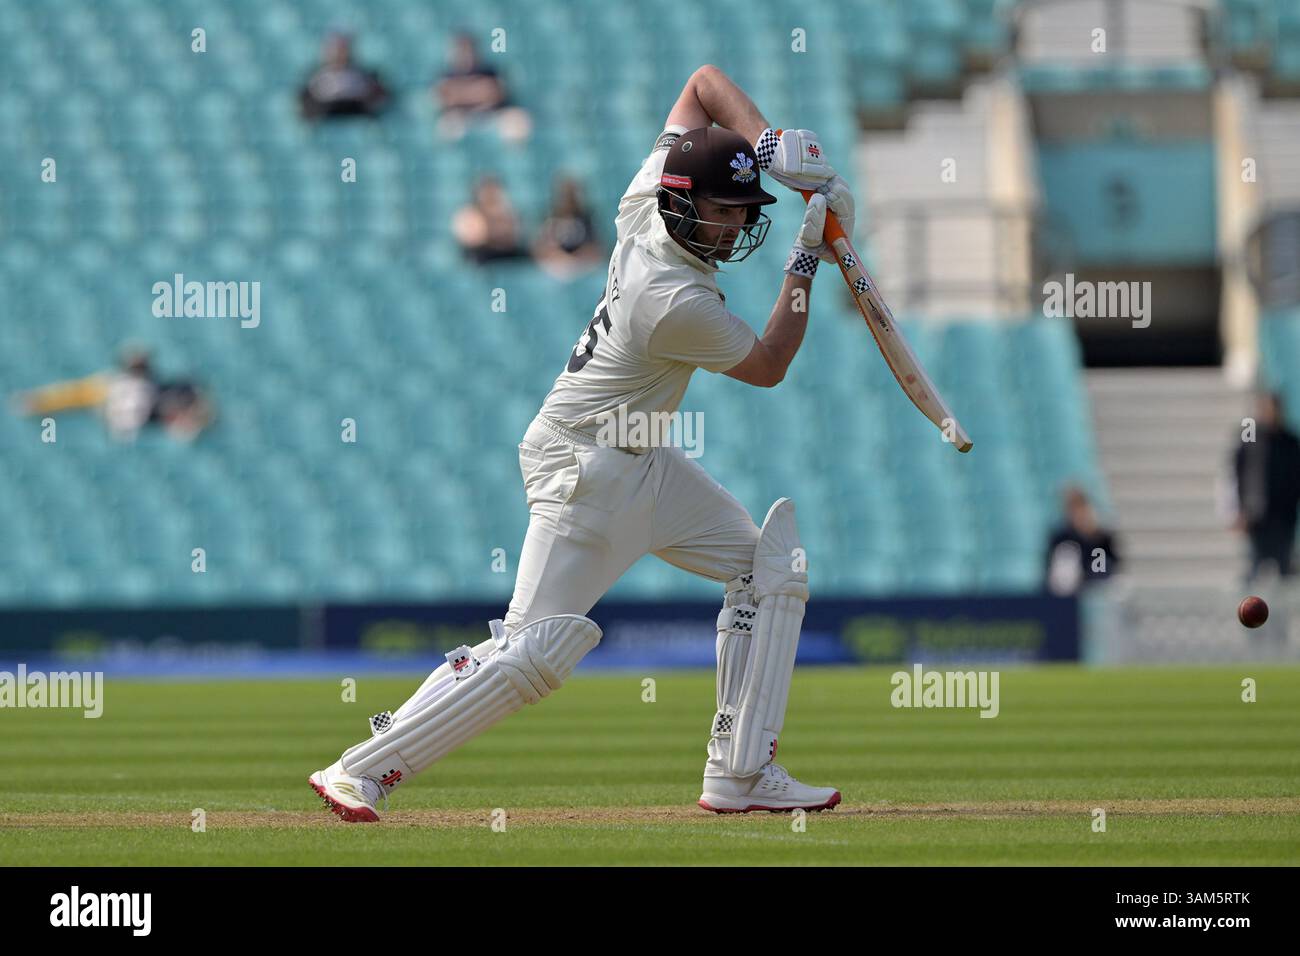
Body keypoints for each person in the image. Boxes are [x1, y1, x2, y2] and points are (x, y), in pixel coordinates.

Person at [310, 64, 856, 820]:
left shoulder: (642, 202)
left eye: (744, 209)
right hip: (584, 467)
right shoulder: (668, 299)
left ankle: (740, 772)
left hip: (643, 458)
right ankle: (361, 767)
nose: (737, 226)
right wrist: (805, 257)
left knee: (770, 571)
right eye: (727, 211)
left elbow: (700, 84)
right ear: (685, 204)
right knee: (532, 652)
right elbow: (768, 367)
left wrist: (771, 149)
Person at [12, 348, 214, 442]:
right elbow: (137, 361)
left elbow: (180, 433)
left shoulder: (168, 422)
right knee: (74, 394)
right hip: (113, 390)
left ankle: (35, 406)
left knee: (78, 401)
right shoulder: (181, 386)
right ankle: (34, 404)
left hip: (116, 410)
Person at [1232, 391, 1300, 581]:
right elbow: (1237, 470)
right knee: (1253, 568)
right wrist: (1239, 508)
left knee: (1285, 570)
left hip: (1284, 516)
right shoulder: (1251, 432)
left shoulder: (1289, 439)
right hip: (1256, 514)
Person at [433, 33, 531, 143]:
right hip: (463, 118)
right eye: (462, 51)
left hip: (491, 115)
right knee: (446, 127)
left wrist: (461, 93)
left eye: (469, 50)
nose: (466, 55)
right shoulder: (448, 75)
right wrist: (479, 91)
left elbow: (496, 94)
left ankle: (514, 158)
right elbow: (444, 98)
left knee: (517, 119)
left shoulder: (489, 71)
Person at [1044, 485, 1121, 596]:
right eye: (1074, 510)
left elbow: (1102, 572)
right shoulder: (1062, 539)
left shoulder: (1100, 539)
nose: (1079, 515)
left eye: (1082, 508)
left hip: (1096, 593)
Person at [299, 33, 390, 120]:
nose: (338, 53)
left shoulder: (366, 76)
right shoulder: (314, 78)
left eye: (342, 49)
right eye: (334, 49)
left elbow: (380, 100)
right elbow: (306, 107)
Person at [532, 177, 603, 279]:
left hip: (582, 269)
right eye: (564, 195)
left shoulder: (587, 219)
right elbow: (540, 249)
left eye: (572, 194)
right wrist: (562, 259)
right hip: (554, 270)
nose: (568, 199)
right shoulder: (550, 218)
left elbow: (595, 249)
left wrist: (574, 261)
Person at [451, 175, 529, 263]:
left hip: (507, 253)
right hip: (482, 256)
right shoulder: (468, 215)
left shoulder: (508, 211)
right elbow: (473, 239)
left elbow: (513, 237)